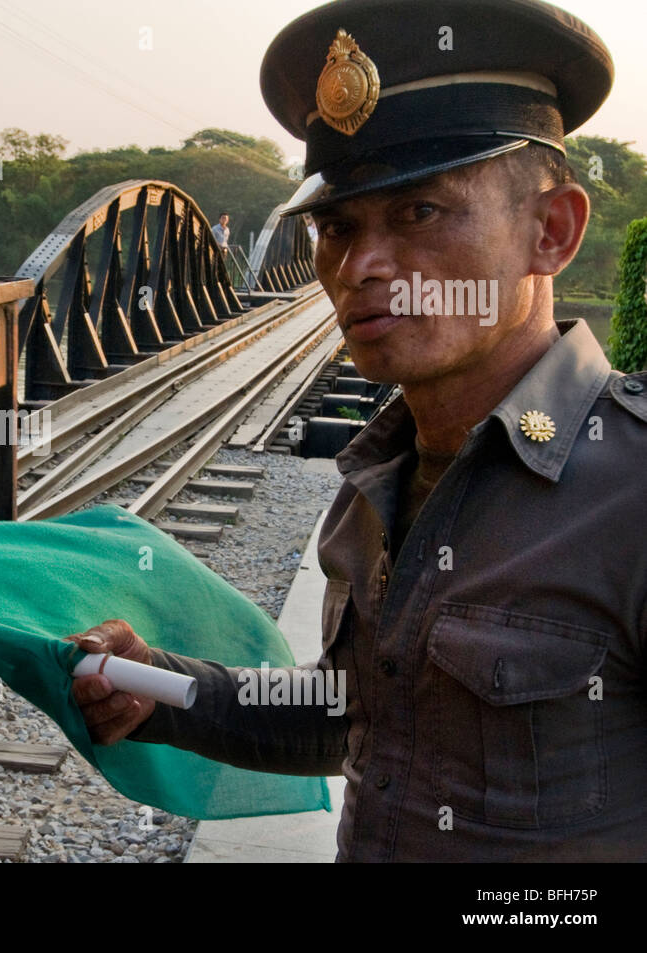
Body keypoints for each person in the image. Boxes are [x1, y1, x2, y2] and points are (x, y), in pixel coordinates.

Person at [71, 0, 646, 861]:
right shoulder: (381, 475)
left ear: (551, 231)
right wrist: (159, 685)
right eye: (337, 226)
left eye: (419, 213)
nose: (359, 266)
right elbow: (353, 714)